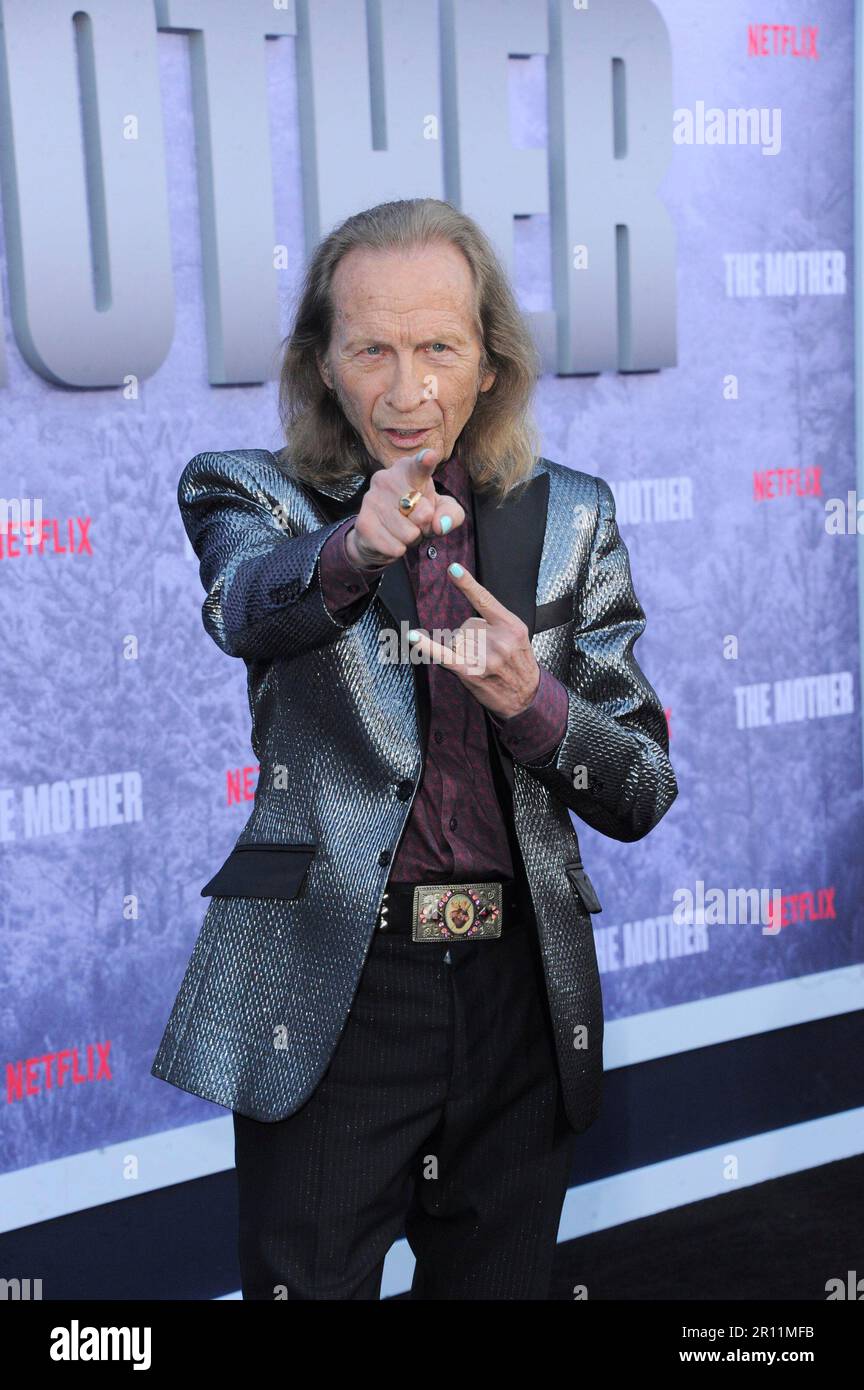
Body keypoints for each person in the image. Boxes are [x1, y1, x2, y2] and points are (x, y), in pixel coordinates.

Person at [151, 197, 678, 1300]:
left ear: (490, 362)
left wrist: (534, 703)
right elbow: (244, 607)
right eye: (371, 351)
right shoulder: (247, 490)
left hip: (520, 991)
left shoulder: (573, 517)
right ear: (322, 366)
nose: (407, 390)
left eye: (438, 347)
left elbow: (639, 787)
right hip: (331, 990)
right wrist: (350, 551)